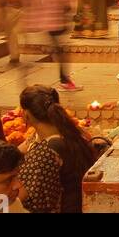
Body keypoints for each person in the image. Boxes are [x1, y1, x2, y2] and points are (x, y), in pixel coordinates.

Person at [18, 85, 96, 213]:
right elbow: (18, 151)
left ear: (26, 115)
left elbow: (23, 198)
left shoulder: (45, 151)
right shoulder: (74, 134)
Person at [23, 0, 82, 92]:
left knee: (60, 52)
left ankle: (65, 80)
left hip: (51, 24)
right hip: (55, 24)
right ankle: (65, 81)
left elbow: (34, 4)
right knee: (61, 54)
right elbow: (64, 3)